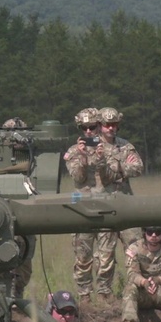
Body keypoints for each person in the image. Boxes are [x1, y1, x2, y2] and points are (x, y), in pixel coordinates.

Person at [93, 107, 144, 300]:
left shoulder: (125, 146)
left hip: (127, 205)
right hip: (104, 206)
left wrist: (117, 168)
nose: (111, 128)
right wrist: (123, 167)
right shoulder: (93, 147)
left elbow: (138, 167)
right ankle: (104, 295)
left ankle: (136, 291)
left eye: (114, 124)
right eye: (107, 125)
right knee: (105, 254)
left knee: (135, 249)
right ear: (100, 126)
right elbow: (102, 175)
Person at [64, 108, 104, 301]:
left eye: (92, 127)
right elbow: (78, 177)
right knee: (83, 256)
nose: (89, 132)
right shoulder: (73, 152)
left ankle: (105, 294)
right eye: (84, 128)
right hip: (83, 208)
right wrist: (81, 156)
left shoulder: (110, 148)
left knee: (105, 257)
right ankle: (85, 296)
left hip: (106, 207)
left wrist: (102, 155)